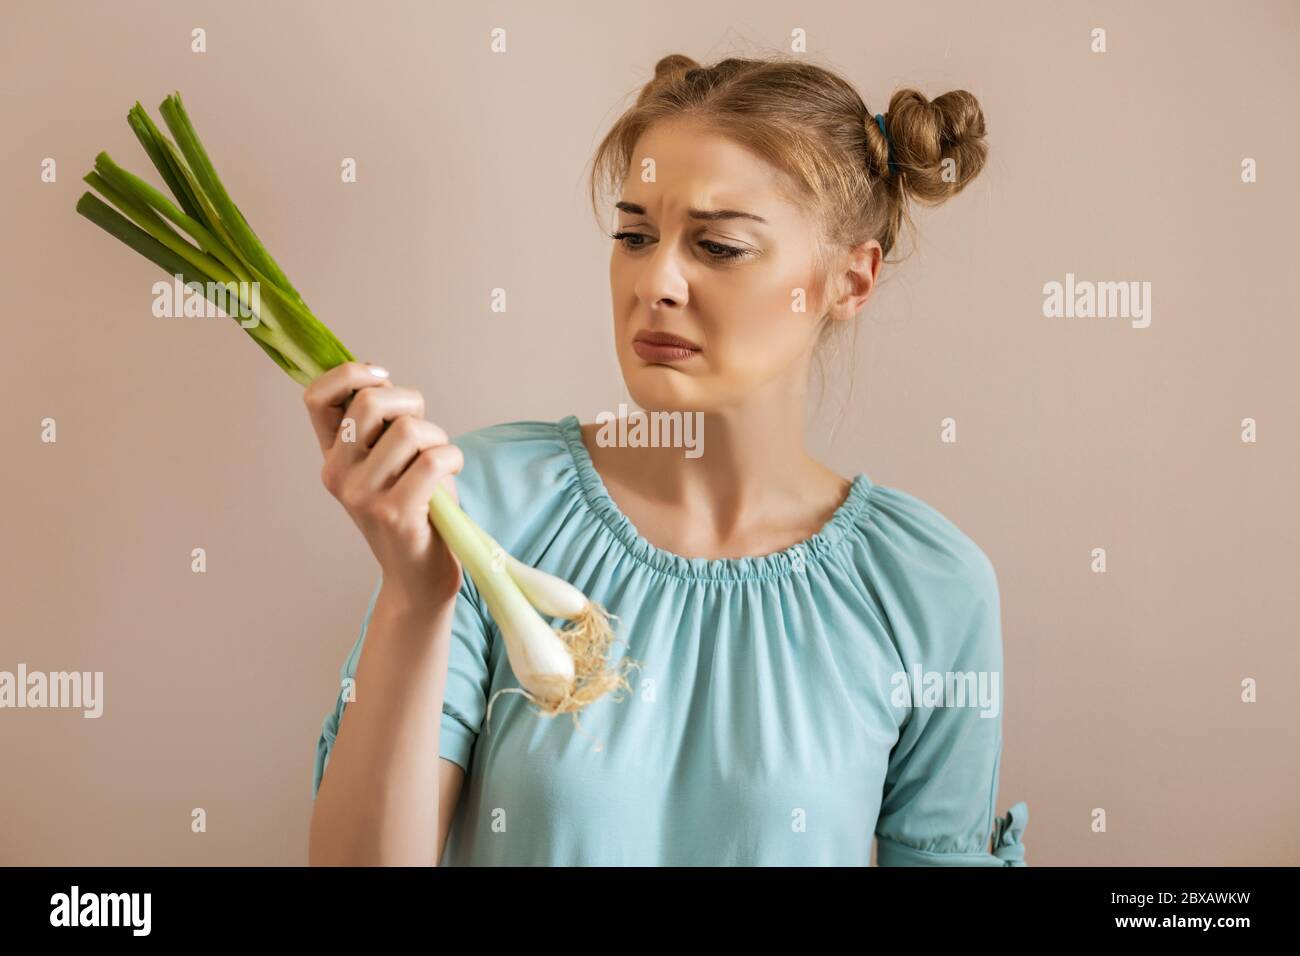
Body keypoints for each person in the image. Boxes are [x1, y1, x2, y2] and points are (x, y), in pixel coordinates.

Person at [307, 53, 1028, 866]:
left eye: (718, 246)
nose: (656, 281)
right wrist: (415, 597)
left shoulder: (928, 589)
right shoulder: (480, 508)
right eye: (634, 236)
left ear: (850, 280)